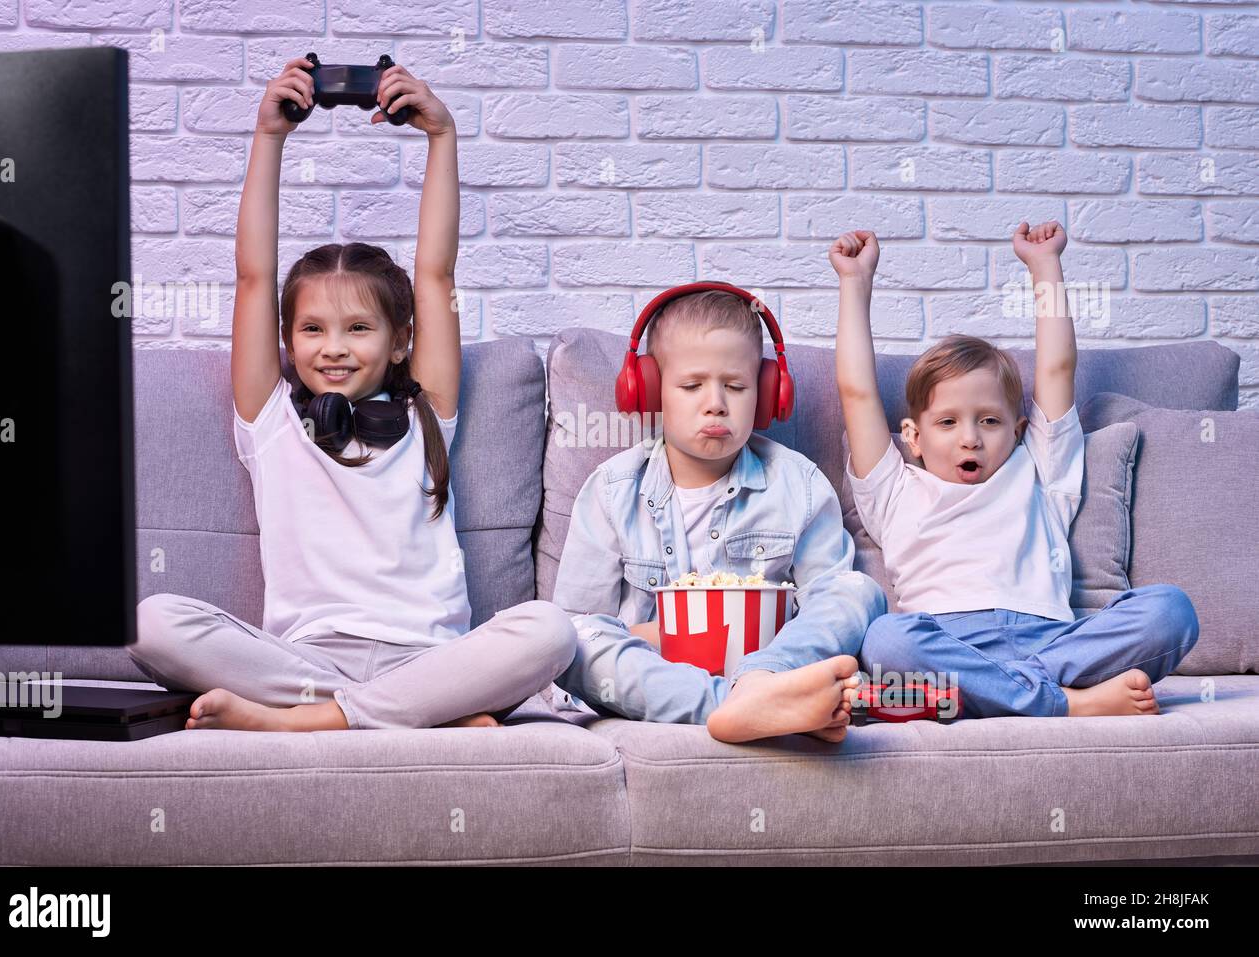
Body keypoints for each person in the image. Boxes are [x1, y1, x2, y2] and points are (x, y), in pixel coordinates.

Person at [129, 57, 575, 732]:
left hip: (427, 659)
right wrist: (268, 136)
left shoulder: (429, 406)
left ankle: (315, 722)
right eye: (312, 329)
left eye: (358, 328)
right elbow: (253, 277)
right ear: (287, 339)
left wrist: (442, 136)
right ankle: (413, 716)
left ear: (400, 342)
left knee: (549, 630)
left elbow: (435, 273)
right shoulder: (272, 419)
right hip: (302, 665)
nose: (333, 346)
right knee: (150, 623)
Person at [830, 221, 1199, 719]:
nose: (970, 437)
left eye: (989, 420)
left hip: (1052, 640)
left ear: (1020, 429)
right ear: (912, 438)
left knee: (1171, 610)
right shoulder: (894, 489)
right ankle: (1067, 703)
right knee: (885, 640)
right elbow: (857, 391)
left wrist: (1045, 267)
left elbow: (1056, 370)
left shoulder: (1040, 469)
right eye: (947, 422)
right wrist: (855, 283)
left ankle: (996, 695)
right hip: (944, 641)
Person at [553, 285, 886, 743]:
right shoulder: (612, 491)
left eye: (736, 386)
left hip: (774, 660)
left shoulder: (800, 485)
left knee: (857, 589)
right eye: (692, 386)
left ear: (768, 394)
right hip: (656, 673)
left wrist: (766, 651)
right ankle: (745, 705)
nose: (716, 402)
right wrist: (671, 633)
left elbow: (825, 602)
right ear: (650, 391)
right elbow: (580, 621)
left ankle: (760, 684)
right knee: (571, 639)